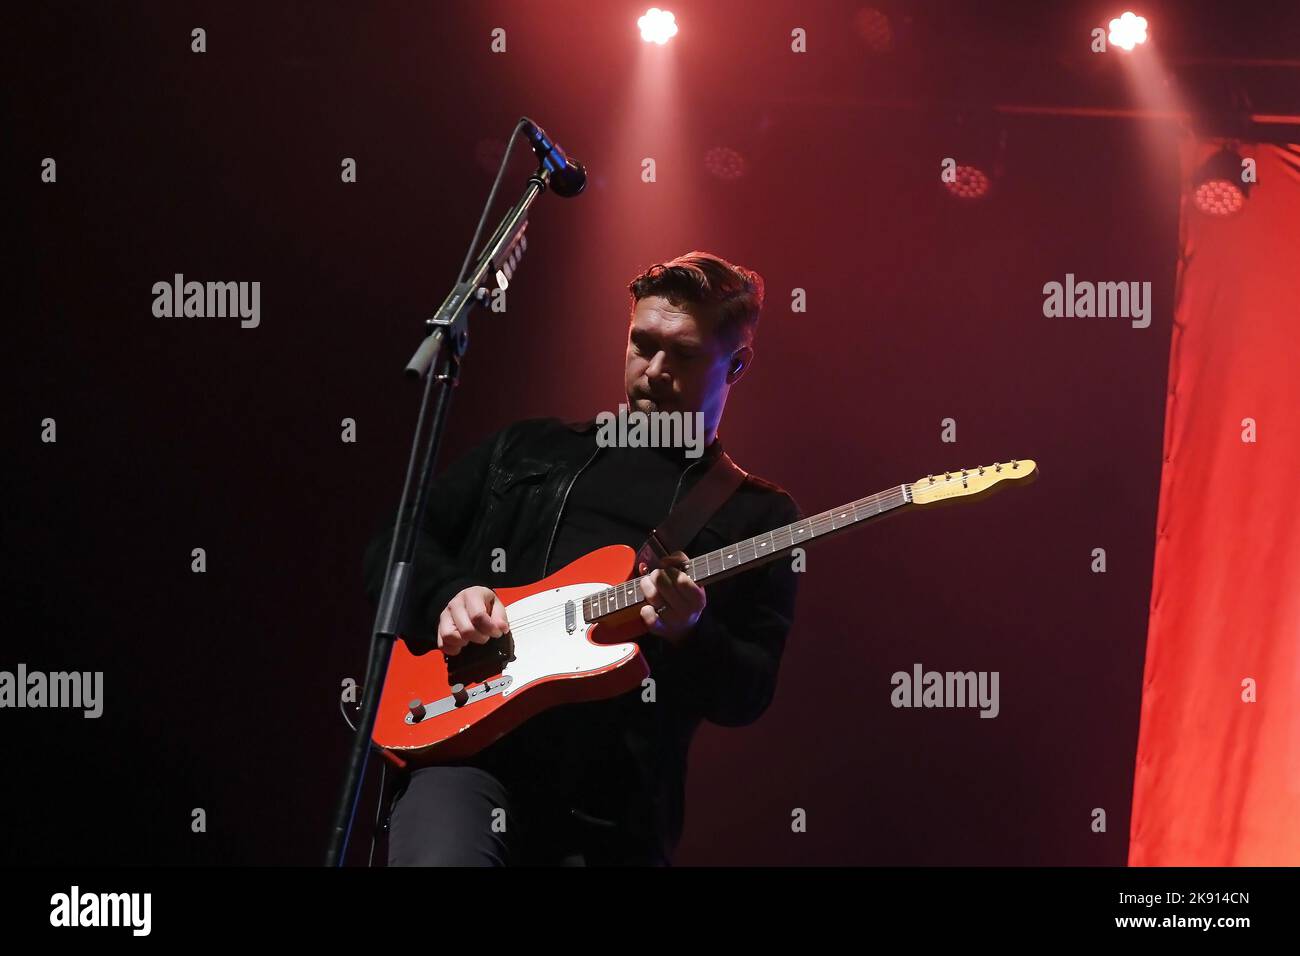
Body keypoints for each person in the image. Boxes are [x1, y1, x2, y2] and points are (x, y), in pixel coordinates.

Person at [363, 251, 802, 865]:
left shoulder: (758, 516)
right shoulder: (528, 447)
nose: (654, 370)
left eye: (683, 353)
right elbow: (396, 542)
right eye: (641, 344)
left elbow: (748, 691)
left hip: (616, 814)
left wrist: (690, 633)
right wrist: (449, 595)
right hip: (468, 754)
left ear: (738, 365)